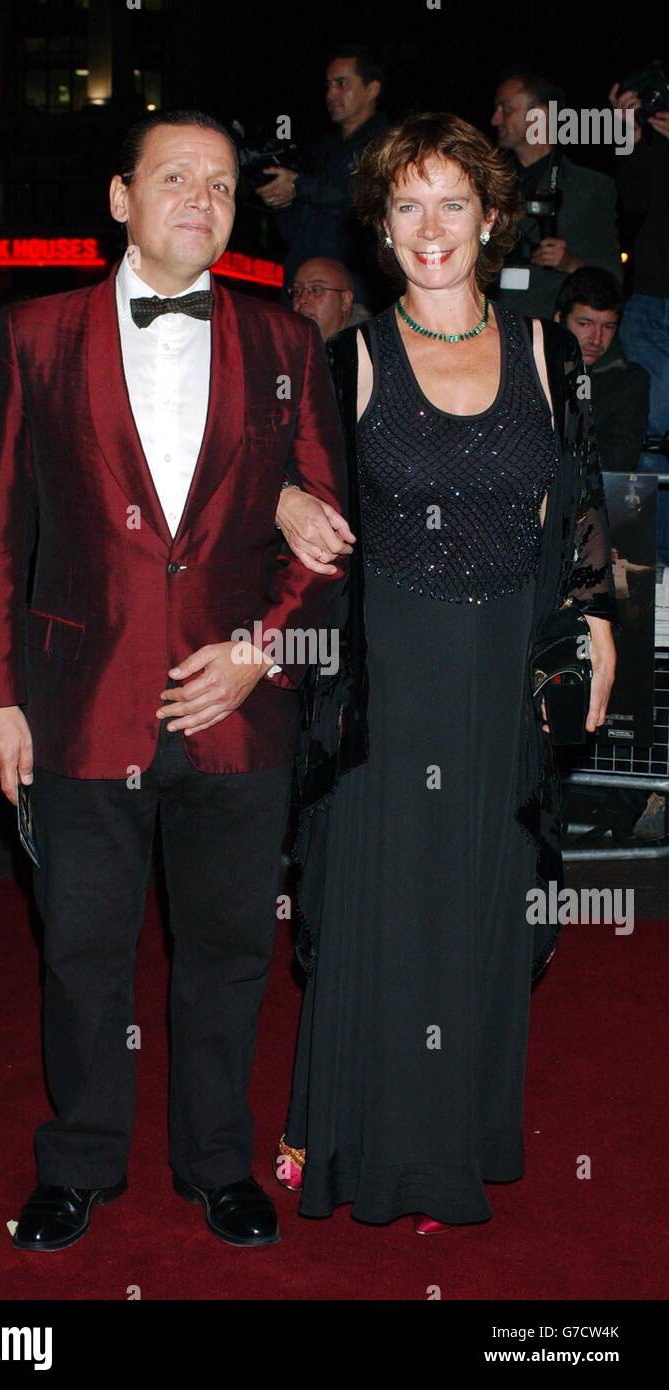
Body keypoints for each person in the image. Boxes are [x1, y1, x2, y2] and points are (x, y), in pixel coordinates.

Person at [0, 109, 347, 1252]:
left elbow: (327, 537)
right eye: (174, 177)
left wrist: (259, 650)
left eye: (224, 184)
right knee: (80, 948)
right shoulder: (31, 332)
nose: (202, 197)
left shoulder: (287, 344)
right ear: (122, 200)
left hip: (241, 714)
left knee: (228, 952)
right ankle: (78, 1162)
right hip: (79, 704)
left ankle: (219, 1161)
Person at [271, 112, 617, 1231]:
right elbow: (265, 478)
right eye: (406, 204)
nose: (431, 227)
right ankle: (364, 1152)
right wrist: (282, 498)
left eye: (452, 204)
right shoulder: (350, 357)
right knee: (387, 907)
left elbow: (576, 504)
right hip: (389, 678)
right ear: (380, 223)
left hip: (501, 670)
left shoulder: (545, 350)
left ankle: (457, 1141)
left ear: (491, 219)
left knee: (480, 904)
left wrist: (599, 615)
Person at [257, 45, 389, 312]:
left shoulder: (387, 144)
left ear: (372, 89)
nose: (331, 94)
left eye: (342, 84)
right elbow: (297, 224)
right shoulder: (323, 147)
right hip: (301, 286)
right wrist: (281, 198)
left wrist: (298, 185)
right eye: (328, 85)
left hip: (350, 294)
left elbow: (361, 200)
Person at [490, 68, 622, 319]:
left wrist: (571, 263)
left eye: (506, 108)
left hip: (552, 330)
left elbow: (611, 280)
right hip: (489, 326)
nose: (495, 119)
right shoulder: (484, 183)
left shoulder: (590, 188)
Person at [610, 77, 669, 562]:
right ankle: (644, 570)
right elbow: (632, 199)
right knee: (645, 433)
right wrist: (628, 132)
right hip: (652, 294)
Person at [554, 267, 650, 471]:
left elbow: (619, 459)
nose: (596, 339)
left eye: (608, 327)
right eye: (585, 324)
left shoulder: (629, 379)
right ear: (559, 319)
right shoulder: (530, 368)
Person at [288, 256, 356, 338]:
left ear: (345, 300)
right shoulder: (281, 345)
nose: (302, 300)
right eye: (297, 291)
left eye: (316, 290)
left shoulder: (367, 347)